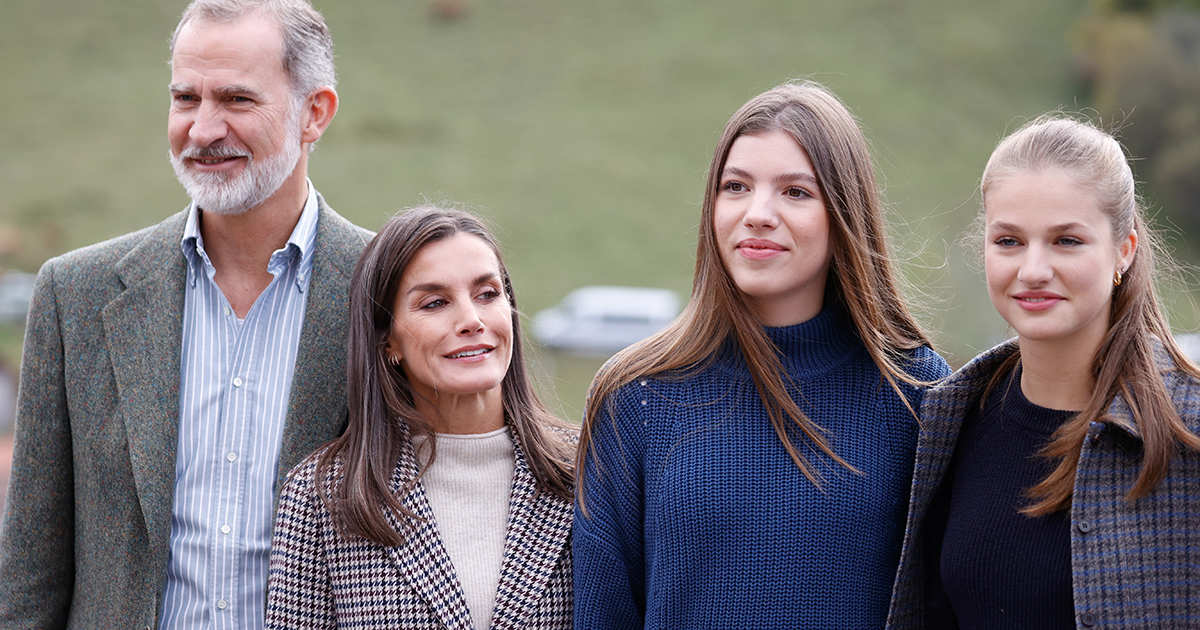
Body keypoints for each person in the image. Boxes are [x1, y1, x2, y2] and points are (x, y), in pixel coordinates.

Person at [0, 1, 370, 627]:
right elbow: (28, 579)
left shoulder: (389, 292)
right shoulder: (76, 296)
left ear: (315, 113)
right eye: (185, 98)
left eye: (237, 99)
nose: (202, 130)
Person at [572, 81, 951, 629]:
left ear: (844, 212)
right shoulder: (636, 397)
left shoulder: (915, 390)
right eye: (736, 187)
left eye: (795, 192)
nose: (758, 213)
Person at [887, 117, 1200, 629]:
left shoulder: (1188, 426)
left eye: (1066, 241)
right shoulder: (948, 418)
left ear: (1124, 250)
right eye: (1009, 241)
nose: (1032, 270)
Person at [266, 206, 576, 629]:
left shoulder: (589, 470)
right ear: (388, 341)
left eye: (487, 294)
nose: (472, 320)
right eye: (435, 303)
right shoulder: (322, 497)